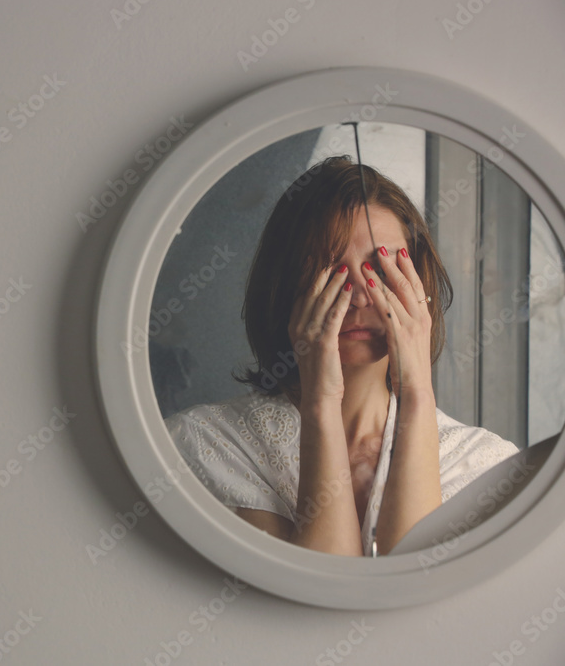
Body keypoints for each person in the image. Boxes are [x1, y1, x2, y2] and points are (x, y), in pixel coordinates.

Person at [164, 155, 520, 557]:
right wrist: (321, 405)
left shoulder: (485, 465)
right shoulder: (207, 444)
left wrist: (417, 394)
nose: (361, 297)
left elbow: (415, 603)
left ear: (420, 288)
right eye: (332, 271)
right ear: (284, 289)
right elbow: (311, 602)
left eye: (381, 270)